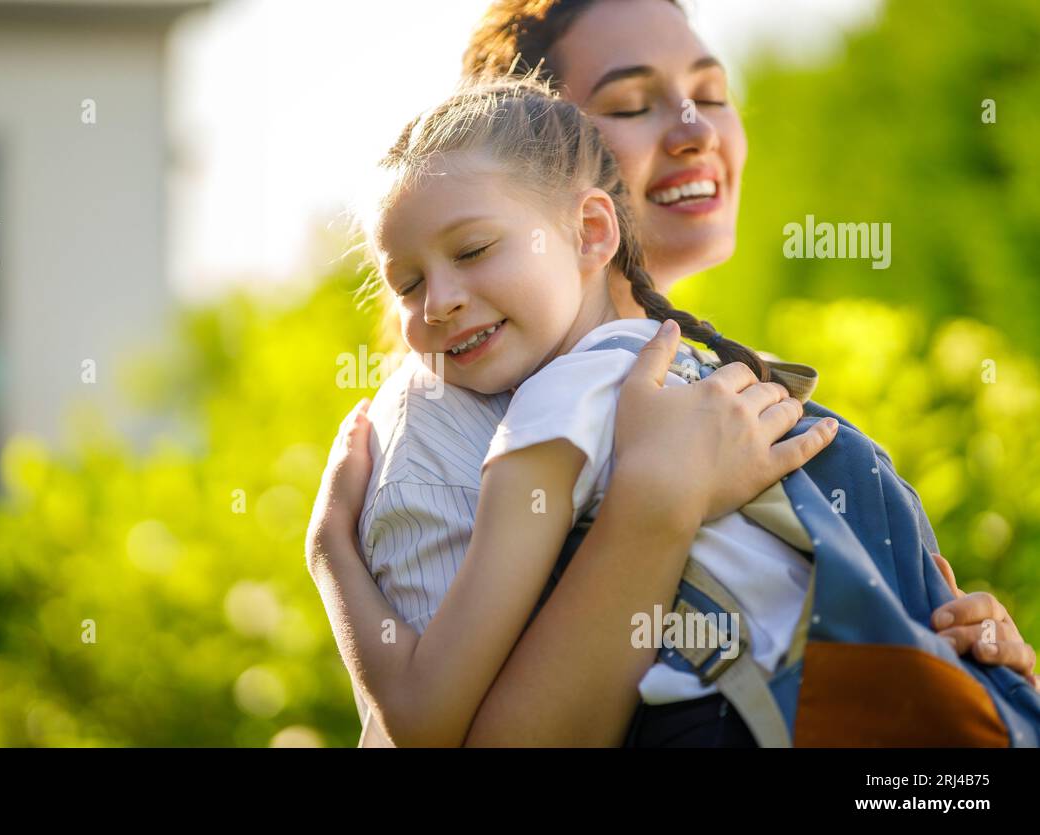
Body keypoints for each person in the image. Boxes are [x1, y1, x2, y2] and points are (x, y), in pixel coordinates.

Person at [306, 0, 1037, 747]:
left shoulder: (711, 387)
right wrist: (656, 503)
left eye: (713, 95)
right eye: (630, 104)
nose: (696, 131)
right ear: (542, 142)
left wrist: (970, 672)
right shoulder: (452, 416)